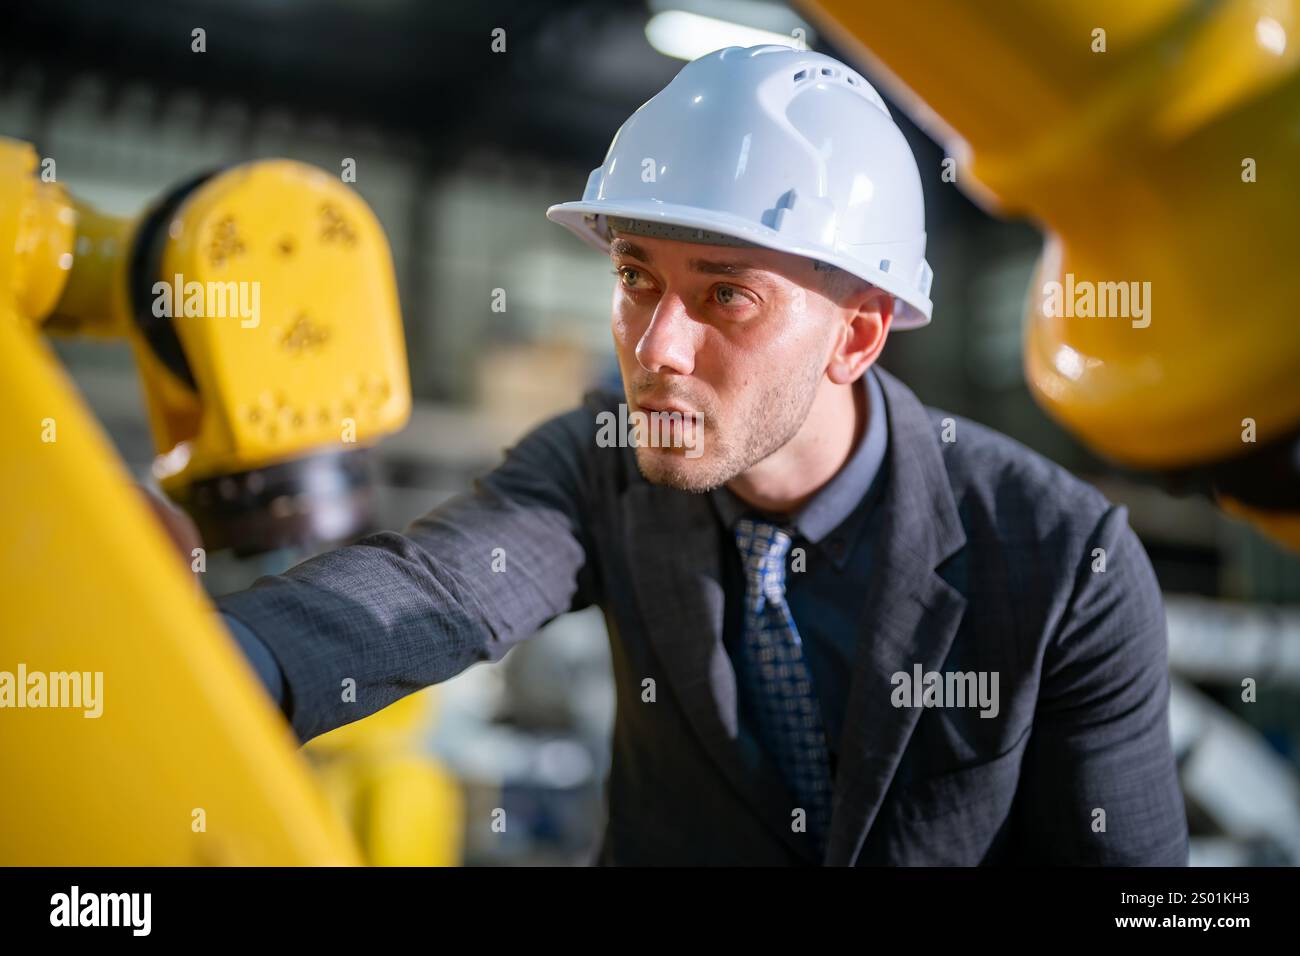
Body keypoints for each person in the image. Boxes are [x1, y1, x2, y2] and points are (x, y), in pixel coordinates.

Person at [214, 46, 1188, 865]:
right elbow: (435, 586)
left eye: (725, 295)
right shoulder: (604, 466)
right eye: (636, 277)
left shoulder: (1062, 561)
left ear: (855, 336)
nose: (653, 346)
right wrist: (205, 661)